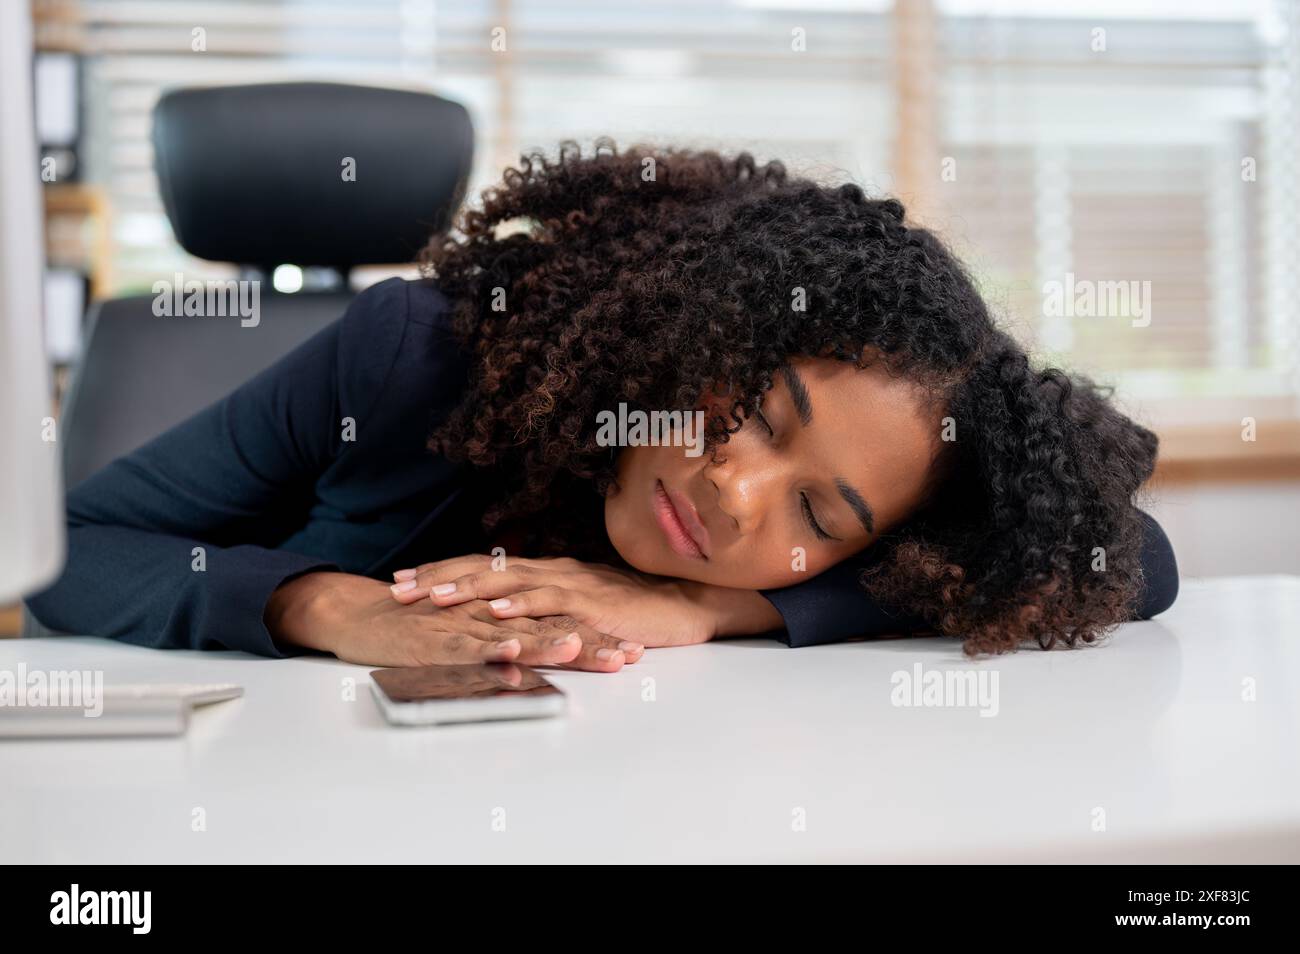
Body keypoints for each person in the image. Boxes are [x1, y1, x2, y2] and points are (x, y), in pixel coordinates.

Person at [26, 142, 1178, 671]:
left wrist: (708, 610)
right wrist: (323, 606)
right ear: (701, 331)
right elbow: (61, 555)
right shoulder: (415, 356)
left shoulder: (829, 541)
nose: (733, 494)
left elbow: (1137, 558)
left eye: (818, 518)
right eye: (755, 414)